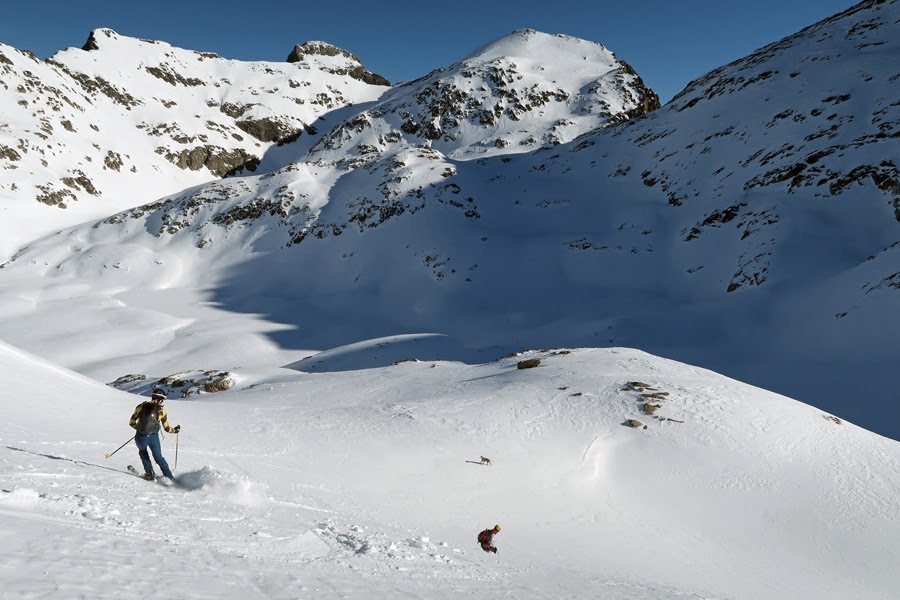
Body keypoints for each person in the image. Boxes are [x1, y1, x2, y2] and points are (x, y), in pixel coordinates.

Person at [129, 389, 181, 481]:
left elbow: (132, 422)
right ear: (159, 399)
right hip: (154, 438)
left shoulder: (141, 406)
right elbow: (167, 428)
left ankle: (149, 474)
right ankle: (169, 477)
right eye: (162, 400)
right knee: (159, 458)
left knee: (143, 452)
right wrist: (176, 430)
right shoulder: (162, 411)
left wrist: (141, 429)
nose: (162, 402)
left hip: (141, 438)